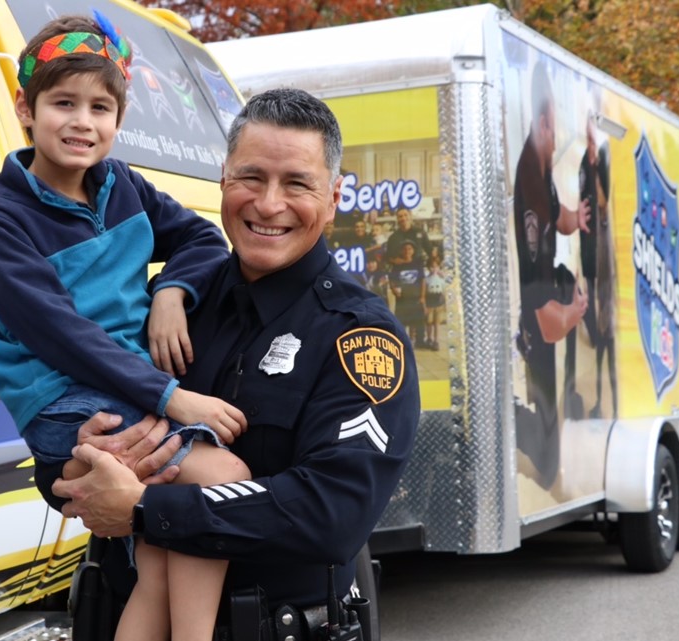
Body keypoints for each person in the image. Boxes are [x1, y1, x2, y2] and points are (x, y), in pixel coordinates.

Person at [46, 87, 420, 632]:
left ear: (335, 196)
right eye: (251, 177)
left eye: (297, 183)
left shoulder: (359, 335)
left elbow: (333, 511)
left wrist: (146, 511)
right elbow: (58, 436)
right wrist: (84, 458)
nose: (269, 204)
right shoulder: (159, 307)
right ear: (222, 179)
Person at [0, 14, 251, 641]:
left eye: (100, 107)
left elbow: (202, 238)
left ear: (119, 121)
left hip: (118, 385)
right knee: (225, 482)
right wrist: (175, 395)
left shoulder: (123, 185)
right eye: (63, 102)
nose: (82, 121)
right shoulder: (0, 220)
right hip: (66, 394)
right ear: (25, 107)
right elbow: (61, 335)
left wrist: (171, 292)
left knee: (155, 557)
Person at [512, 60, 591, 489]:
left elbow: (557, 212)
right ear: (543, 123)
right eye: (555, 126)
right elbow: (545, 319)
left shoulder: (538, 165)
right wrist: (576, 311)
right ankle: (511, 419)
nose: (557, 134)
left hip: (539, 310)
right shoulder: (530, 188)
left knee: (550, 424)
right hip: (534, 323)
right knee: (546, 461)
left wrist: (574, 218)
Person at [576, 110, 617, 419]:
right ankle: (598, 401)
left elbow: (603, 202)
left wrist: (596, 166)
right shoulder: (582, 165)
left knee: (607, 334)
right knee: (594, 323)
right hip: (588, 251)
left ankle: (606, 401)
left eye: (592, 133)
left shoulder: (602, 160)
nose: (588, 138)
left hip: (602, 252)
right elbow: (583, 203)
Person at [389, 240, 427, 348]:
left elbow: (423, 281)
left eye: (409, 249)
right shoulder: (397, 265)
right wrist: (394, 290)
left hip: (416, 297)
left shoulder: (418, 264)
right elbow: (391, 280)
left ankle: (420, 342)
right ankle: (402, 342)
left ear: (413, 251)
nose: (407, 251)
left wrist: (423, 297)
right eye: (405, 249)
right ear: (401, 251)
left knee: (419, 321)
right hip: (403, 299)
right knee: (401, 322)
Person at [424, 251, 447, 351]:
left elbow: (443, 290)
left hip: (438, 302)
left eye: (436, 266)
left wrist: (445, 303)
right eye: (432, 267)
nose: (434, 269)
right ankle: (429, 338)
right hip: (430, 301)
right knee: (429, 322)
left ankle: (436, 340)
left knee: (437, 323)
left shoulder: (441, 279)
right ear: (428, 268)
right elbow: (424, 291)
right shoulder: (427, 279)